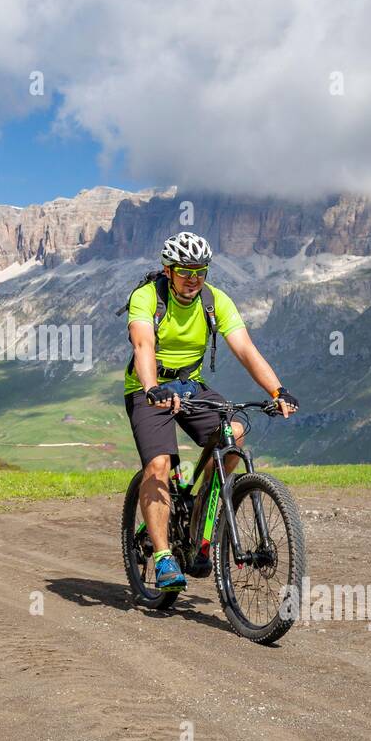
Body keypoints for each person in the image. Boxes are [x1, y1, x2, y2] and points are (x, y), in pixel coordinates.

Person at [123, 231, 298, 591]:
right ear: (168, 271)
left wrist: (277, 390)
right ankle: (163, 556)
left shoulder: (214, 300)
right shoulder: (146, 298)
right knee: (158, 465)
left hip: (190, 386)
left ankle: (202, 519)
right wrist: (152, 388)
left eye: (200, 271)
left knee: (234, 431)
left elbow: (246, 349)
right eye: (185, 271)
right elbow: (143, 344)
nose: (193, 279)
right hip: (149, 388)